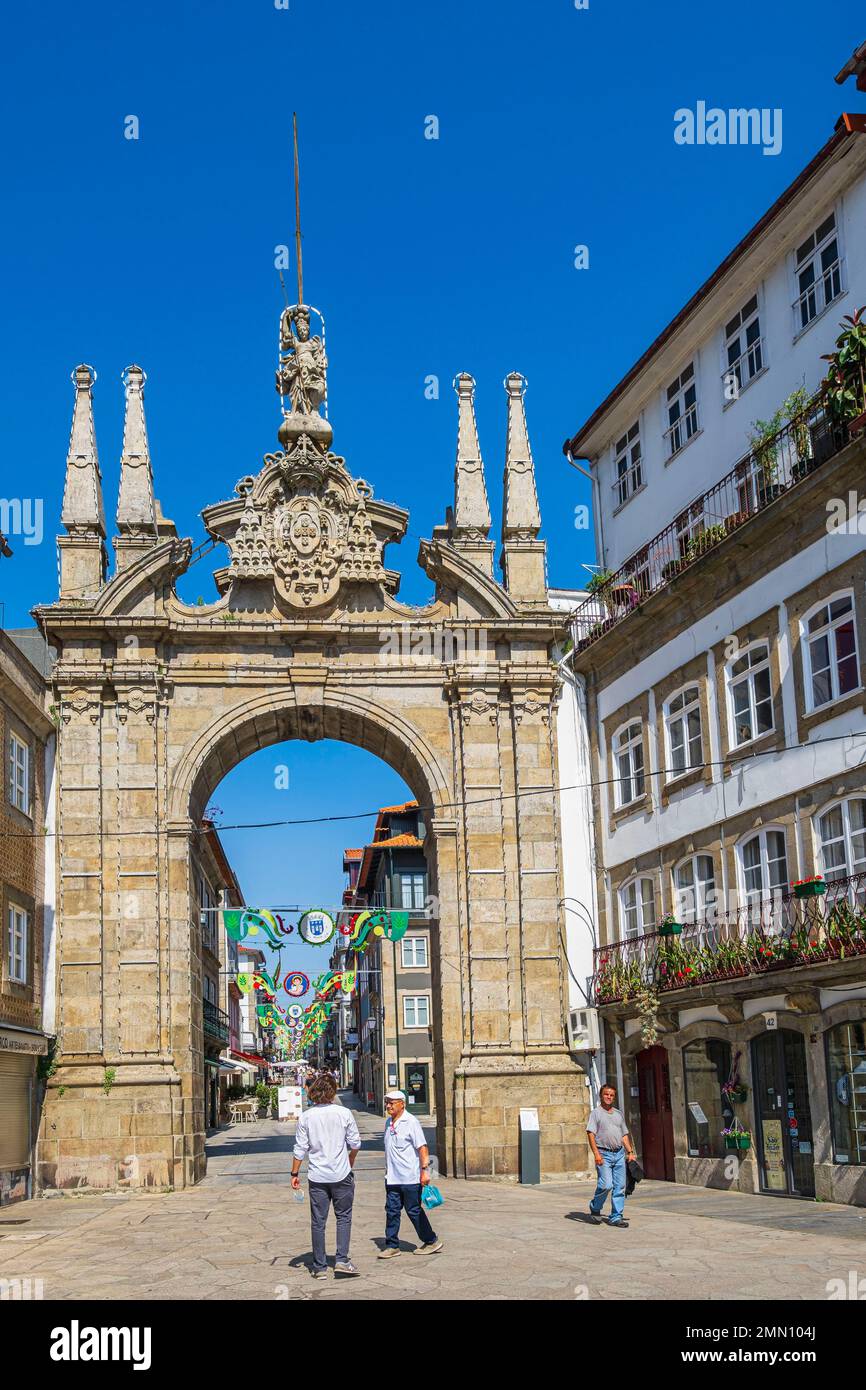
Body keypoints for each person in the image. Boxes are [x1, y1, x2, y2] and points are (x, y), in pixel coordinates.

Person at [291, 1071, 361, 1277]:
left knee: (318, 1222)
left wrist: (294, 1173)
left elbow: (299, 1149)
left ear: (313, 1092)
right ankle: (341, 1260)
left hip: (317, 1177)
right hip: (341, 1175)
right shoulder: (344, 1113)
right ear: (333, 1092)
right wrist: (351, 1159)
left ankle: (320, 1267)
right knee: (344, 1218)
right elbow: (355, 1143)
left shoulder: (306, 1116)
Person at [378, 1089, 443, 1258]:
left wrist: (424, 1172)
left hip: (410, 1177)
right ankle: (392, 1245)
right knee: (392, 1211)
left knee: (413, 1210)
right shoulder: (388, 1123)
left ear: (402, 1104)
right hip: (392, 1178)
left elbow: (422, 1147)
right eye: (387, 1103)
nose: (388, 1106)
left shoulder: (411, 1122)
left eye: (391, 1103)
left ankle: (431, 1240)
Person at [586, 1083, 636, 1229]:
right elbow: (590, 1134)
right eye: (606, 1094)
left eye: (611, 1095)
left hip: (619, 1154)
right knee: (606, 1184)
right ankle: (595, 1206)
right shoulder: (596, 1113)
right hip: (603, 1154)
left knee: (620, 1186)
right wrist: (596, 1154)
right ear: (601, 1095)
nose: (609, 1097)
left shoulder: (618, 1114)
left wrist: (630, 1152)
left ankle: (616, 1216)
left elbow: (624, 1135)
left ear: (614, 1097)